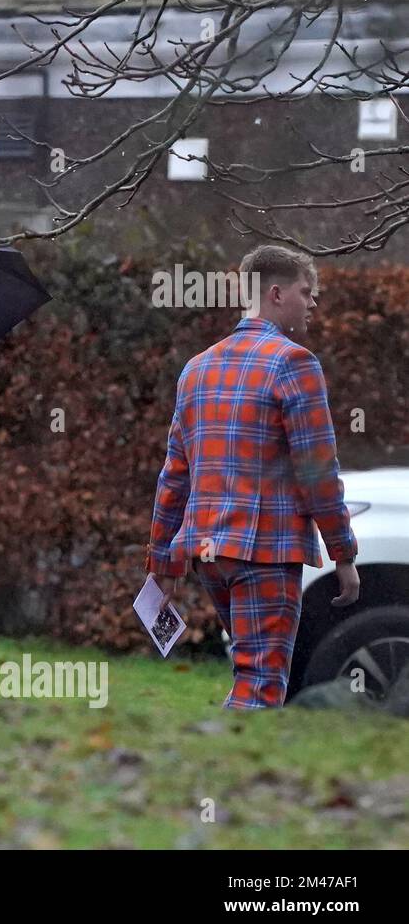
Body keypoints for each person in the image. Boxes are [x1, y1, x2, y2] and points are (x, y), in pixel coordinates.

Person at [146, 244, 360, 709]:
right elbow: (317, 471)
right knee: (261, 684)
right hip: (264, 551)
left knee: (249, 673)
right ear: (277, 294)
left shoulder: (196, 369)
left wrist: (164, 565)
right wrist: (342, 552)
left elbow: (174, 477)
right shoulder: (295, 363)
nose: (313, 303)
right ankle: (224, 772)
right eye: (307, 292)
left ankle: (222, 766)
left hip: (209, 556)